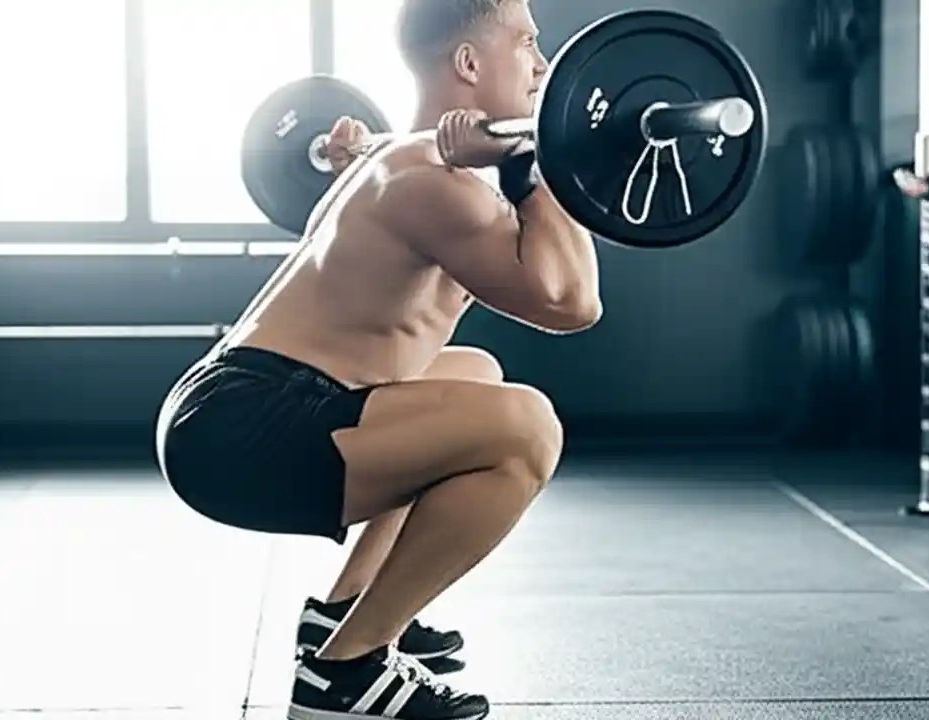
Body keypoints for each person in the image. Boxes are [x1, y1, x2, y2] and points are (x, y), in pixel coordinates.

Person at [153, 0, 602, 718]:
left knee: (473, 377)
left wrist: (511, 155)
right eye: (526, 42)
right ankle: (345, 674)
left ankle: (345, 611)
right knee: (525, 429)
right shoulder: (430, 183)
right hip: (244, 431)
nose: (543, 66)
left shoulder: (398, 157)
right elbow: (571, 303)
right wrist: (530, 167)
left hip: (236, 411)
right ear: (467, 63)